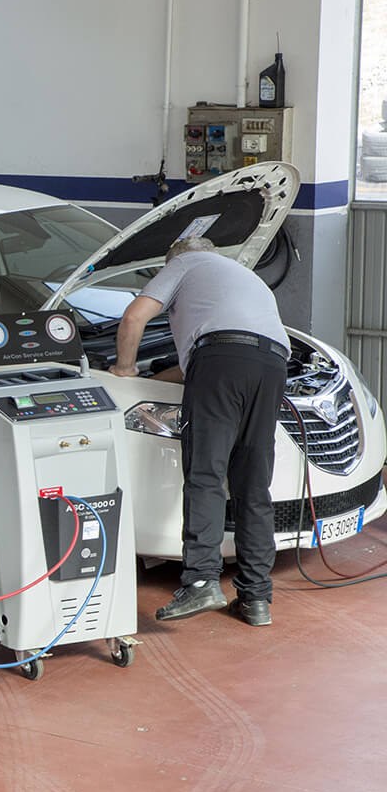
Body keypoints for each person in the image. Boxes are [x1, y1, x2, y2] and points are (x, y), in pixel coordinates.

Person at [110, 235, 290, 627]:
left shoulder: (184, 263)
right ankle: (256, 599)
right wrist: (160, 377)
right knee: (253, 486)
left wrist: (125, 369)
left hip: (222, 359)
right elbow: (216, 357)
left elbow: (133, 317)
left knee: (206, 474)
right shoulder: (240, 275)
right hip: (272, 365)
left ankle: (201, 581)